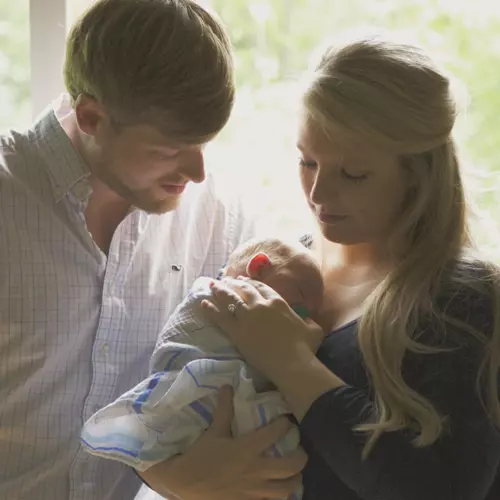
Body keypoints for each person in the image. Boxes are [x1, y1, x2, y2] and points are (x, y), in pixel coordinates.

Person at [0, 1, 307, 499]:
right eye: (170, 149)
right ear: (92, 117)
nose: (197, 172)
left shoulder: (220, 221)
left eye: (206, 143)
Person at [194, 35, 500, 500]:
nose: (318, 195)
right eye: (307, 161)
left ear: (418, 175)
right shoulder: (281, 266)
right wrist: (173, 477)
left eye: (353, 174)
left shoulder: (465, 300)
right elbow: (175, 389)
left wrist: (291, 364)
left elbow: (445, 489)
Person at [80, 237, 324, 500]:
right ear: (259, 268)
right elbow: (227, 305)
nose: (302, 315)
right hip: (195, 383)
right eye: (299, 301)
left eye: (310, 313)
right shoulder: (224, 294)